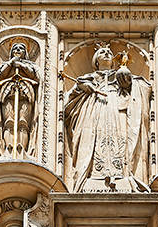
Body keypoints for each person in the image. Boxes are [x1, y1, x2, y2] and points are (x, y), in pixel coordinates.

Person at [63, 45, 152, 193]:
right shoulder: (86, 79)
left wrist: (129, 83)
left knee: (119, 139)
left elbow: (144, 88)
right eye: (102, 52)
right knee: (94, 140)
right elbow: (68, 104)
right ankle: (90, 178)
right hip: (93, 110)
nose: (106, 54)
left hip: (117, 108)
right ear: (96, 61)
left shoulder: (119, 76)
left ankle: (122, 176)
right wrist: (82, 88)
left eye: (109, 52)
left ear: (113, 61)